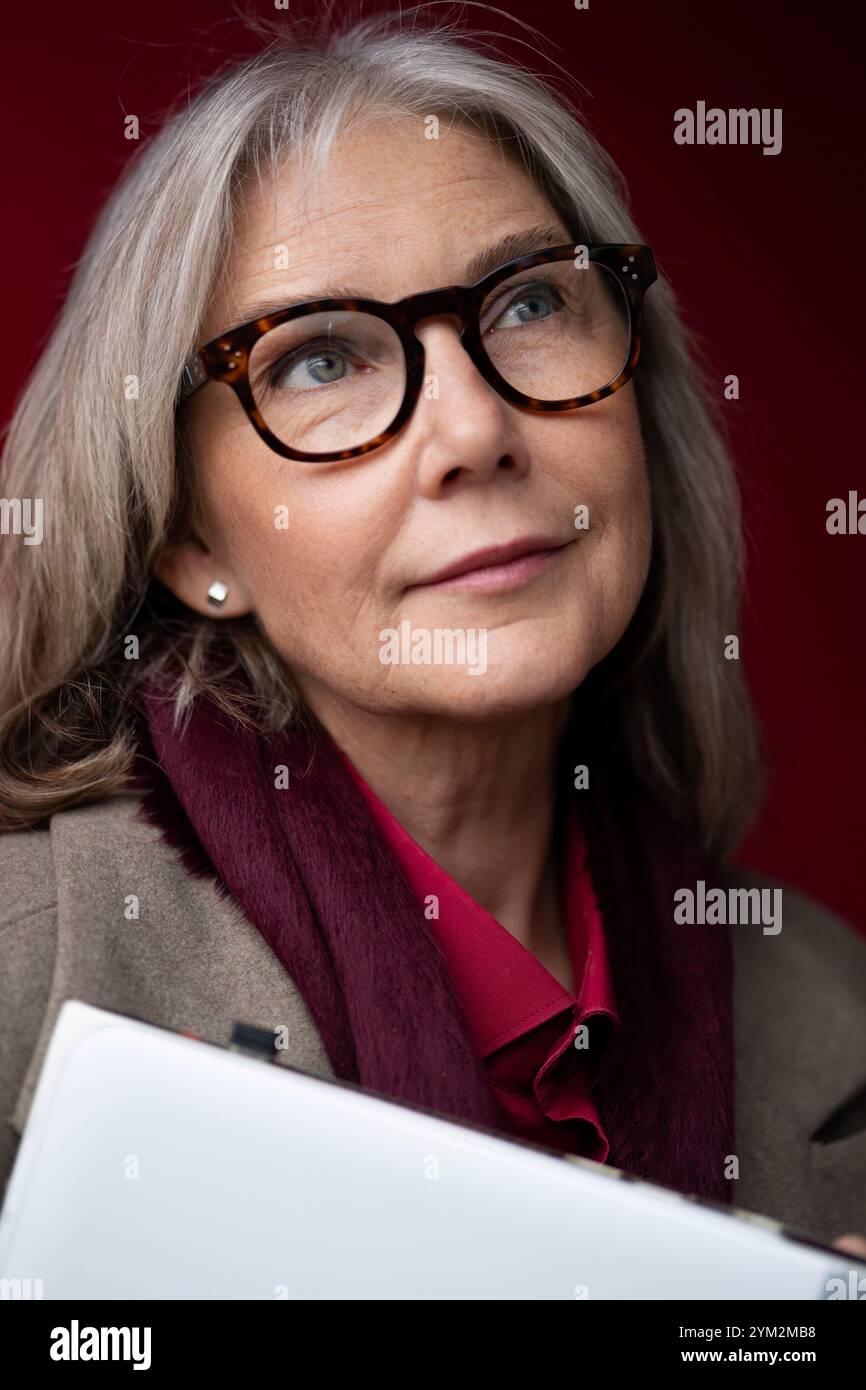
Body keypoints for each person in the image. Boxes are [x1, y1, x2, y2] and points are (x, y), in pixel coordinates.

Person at [1, 7, 864, 1258]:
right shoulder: (25, 963)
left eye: (525, 304)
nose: (472, 433)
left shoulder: (838, 1004)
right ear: (189, 542)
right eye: (317, 360)